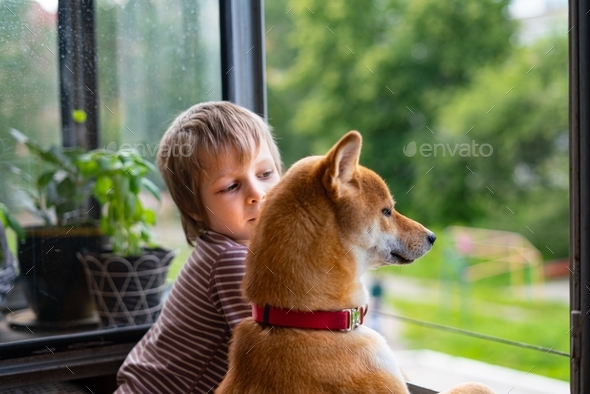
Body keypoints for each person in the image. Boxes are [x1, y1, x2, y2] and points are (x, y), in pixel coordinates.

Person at [115, 101, 282, 393]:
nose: (257, 194)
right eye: (231, 186)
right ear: (194, 207)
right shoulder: (230, 261)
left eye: (265, 174)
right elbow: (279, 350)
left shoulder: (227, 250)